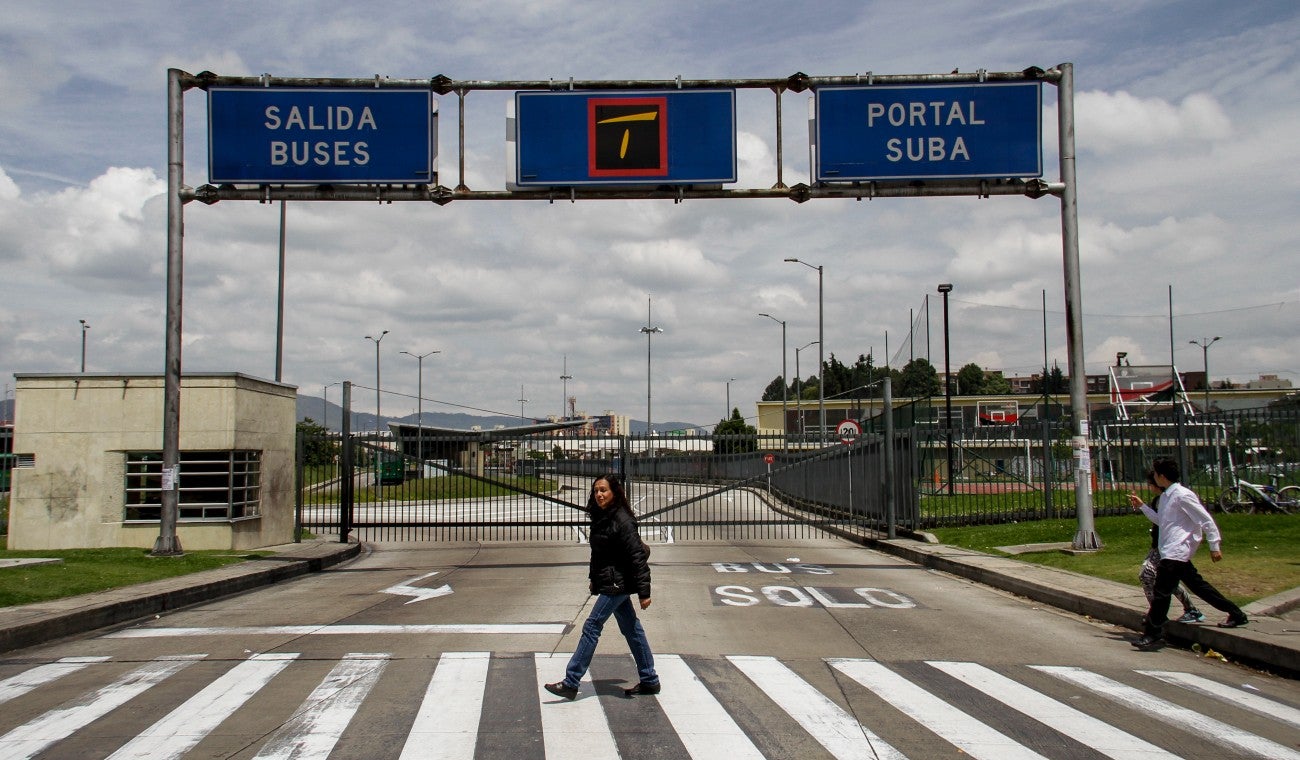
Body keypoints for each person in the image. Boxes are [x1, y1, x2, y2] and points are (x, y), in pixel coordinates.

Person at [545, 473, 660, 700]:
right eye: (596, 490)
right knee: (631, 628)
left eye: (603, 490)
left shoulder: (622, 520)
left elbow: (637, 556)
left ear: (614, 492)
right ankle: (649, 679)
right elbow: (598, 555)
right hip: (610, 580)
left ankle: (571, 681)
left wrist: (644, 592)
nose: (599, 494)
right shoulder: (602, 517)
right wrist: (594, 579)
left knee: (592, 626)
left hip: (618, 583)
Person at [1128, 457, 1248, 651]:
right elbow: (1161, 521)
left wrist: (1214, 545)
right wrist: (1142, 506)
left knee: (1161, 593)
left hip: (1177, 551)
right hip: (1171, 551)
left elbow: (1205, 520)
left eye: (1156, 474)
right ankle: (1236, 613)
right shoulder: (1166, 497)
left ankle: (1153, 632)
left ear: (1162, 476)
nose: (1154, 478)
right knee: (1199, 587)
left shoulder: (1183, 495)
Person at [1136, 474, 1205, 624]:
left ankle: (1158, 615)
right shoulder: (1160, 500)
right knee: (1164, 580)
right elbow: (1159, 520)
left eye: (1151, 484)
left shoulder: (1174, 498)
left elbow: (1171, 523)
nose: (1150, 487)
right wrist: (1143, 506)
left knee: (1148, 575)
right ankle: (1164, 614)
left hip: (1170, 547)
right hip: (1161, 545)